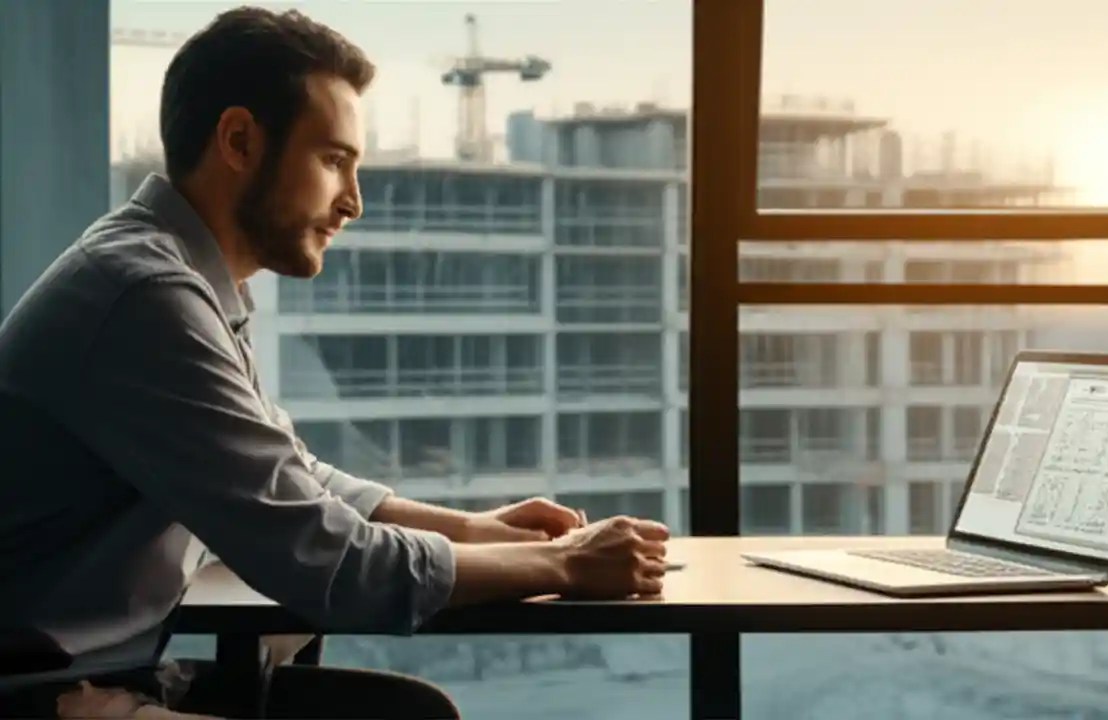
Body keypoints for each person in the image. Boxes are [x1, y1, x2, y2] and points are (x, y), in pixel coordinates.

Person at [0, 5, 668, 718]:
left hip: (98, 677)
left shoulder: (174, 276)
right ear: (239, 140)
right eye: (334, 160)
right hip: (44, 697)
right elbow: (331, 561)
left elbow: (289, 477)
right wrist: (564, 564)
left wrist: (470, 528)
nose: (353, 201)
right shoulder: (146, 295)